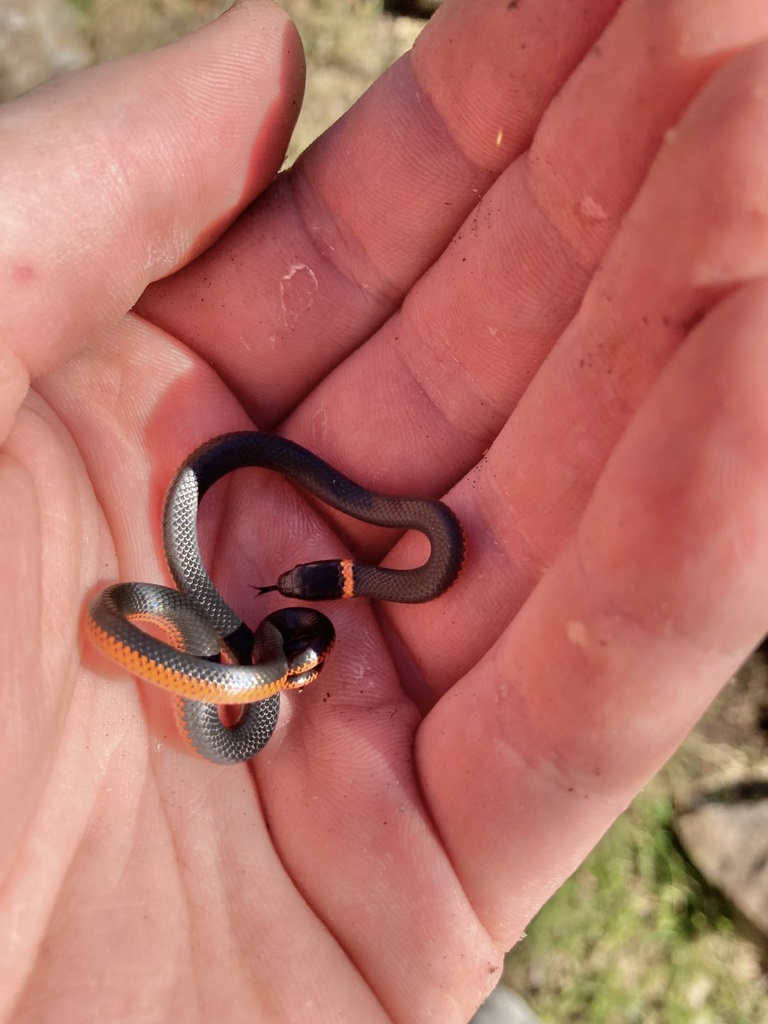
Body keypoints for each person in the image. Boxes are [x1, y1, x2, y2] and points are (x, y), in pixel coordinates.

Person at [2, 0, 767, 1020]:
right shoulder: (261, 645)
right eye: (299, 605)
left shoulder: (337, 599)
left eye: (298, 606)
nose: (288, 591)